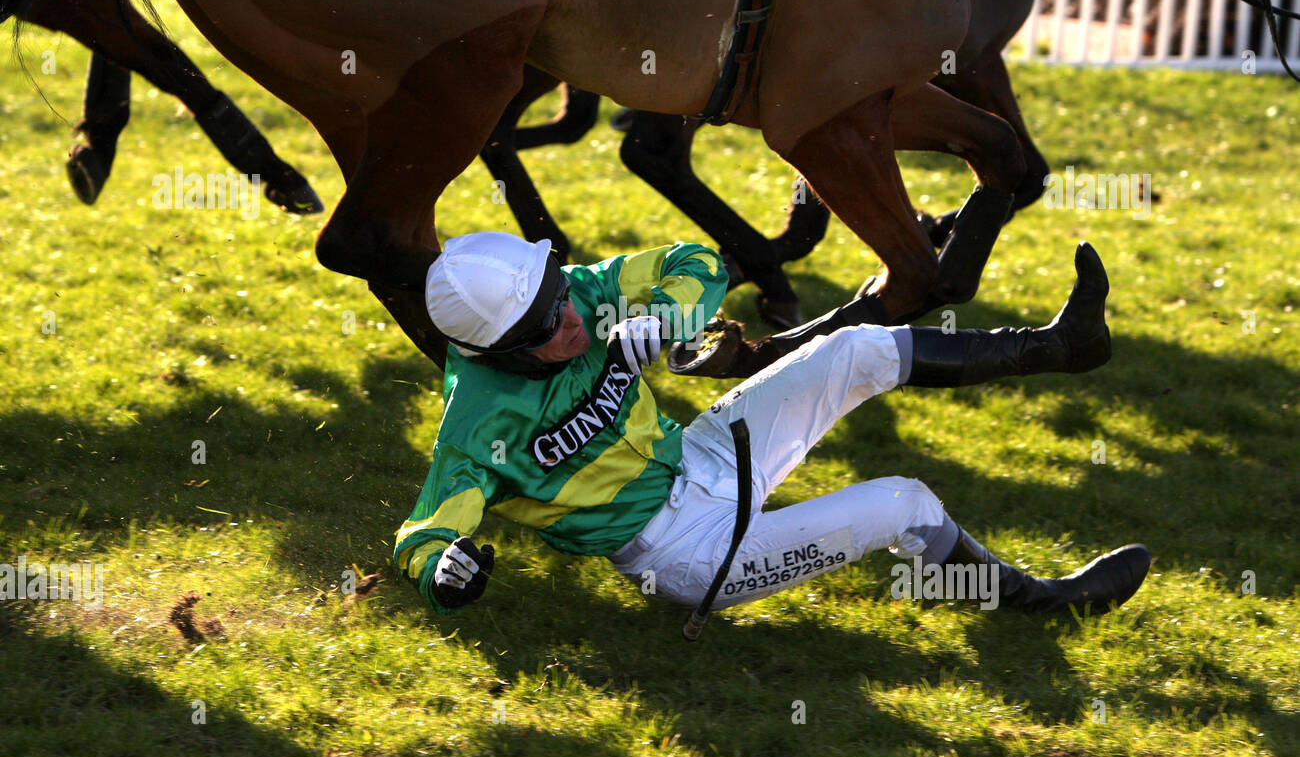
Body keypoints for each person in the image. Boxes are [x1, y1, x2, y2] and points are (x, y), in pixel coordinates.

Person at [394, 231, 1149, 619]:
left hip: (703, 461)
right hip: (683, 555)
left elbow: (696, 261)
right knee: (904, 504)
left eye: (560, 295)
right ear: (497, 353)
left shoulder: (577, 294)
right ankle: (1051, 603)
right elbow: (425, 534)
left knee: (853, 348)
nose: (572, 321)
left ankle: (1059, 346)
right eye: (546, 329)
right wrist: (444, 575)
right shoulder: (474, 425)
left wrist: (670, 313)